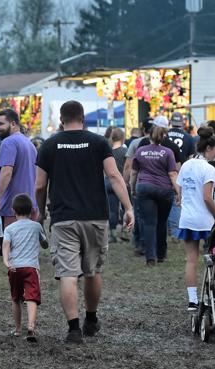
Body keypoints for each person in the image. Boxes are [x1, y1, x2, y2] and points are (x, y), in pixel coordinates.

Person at [35, 100, 135, 344]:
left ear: (61, 118)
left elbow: (39, 185)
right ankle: (90, 319)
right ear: (83, 118)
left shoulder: (49, 145)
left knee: (68, 274)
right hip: (95, 216)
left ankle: (73, 330)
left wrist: (40, 211)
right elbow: (113, 175)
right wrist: (128, 207)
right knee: (92, 271)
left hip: (63, 218)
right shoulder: (98, 142)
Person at [176, 127, 215, 310]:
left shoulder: (186, 165)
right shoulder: (208, 168)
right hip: (206, 221)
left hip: (187, 219)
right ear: (209, 148)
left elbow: (180, 189)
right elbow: (207, 197)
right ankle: (211, 295)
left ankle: (193, 300)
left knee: (191, 260)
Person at [2, 193, 48, 342]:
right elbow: (45, 244)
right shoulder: (36, 226)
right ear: (32, 211)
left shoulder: (9, 229)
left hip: (15, 267)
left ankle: (17, 329)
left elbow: (6, 246)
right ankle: (31, 327)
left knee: (16, 299)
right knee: (32, 298)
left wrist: (7, 262)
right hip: (31, 268)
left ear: (13, 210)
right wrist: (42, 226)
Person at [130, 126, 178, 265]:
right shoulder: (168, 152)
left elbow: (134, 173)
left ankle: (150, 257)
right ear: (163, 137)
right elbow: (172, 174)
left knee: (149, 223)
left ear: (149, 136)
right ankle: (161, 254)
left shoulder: (140, 151)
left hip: (144, 188)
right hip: (164, 190)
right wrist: (178, 192)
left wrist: (133, 188)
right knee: (162, 222)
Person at [0, 109, 38, 224]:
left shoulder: (8, 142)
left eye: (1, 124)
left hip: (11, 208)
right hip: (29, 206)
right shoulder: (30, 144)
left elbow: (7, 171)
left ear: (13, 124)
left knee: (5, 242)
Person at [106, 128, 127, 243]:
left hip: (108, 182)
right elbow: (128, 168)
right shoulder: (125, 152)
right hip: (121, 182)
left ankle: (112, 233)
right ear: (122, 138)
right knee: (125, 207)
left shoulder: (108, 151)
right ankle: (124, 231)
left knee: (112, 210)